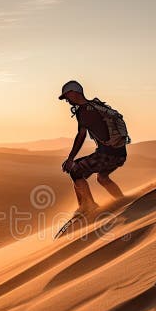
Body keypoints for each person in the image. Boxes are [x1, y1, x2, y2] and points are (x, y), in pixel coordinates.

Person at [58, 80, 127, 213]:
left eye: (66, 96)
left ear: (73, 93)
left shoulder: (84, 111)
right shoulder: (95, 105)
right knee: (102, 178)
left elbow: (81, 135)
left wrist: (70, 158)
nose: (66, 100)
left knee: (75, 170)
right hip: (120, 154)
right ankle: (123, 201)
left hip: (107, 155)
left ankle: (87, 207)